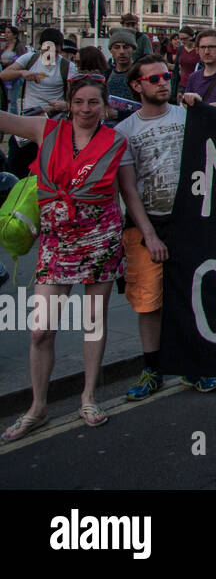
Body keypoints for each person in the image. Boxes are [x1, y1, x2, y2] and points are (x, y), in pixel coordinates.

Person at [0, 73, 129, 441]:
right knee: (40, 329)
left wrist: (148, 234)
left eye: (93, 103)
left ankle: (89, 397)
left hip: (101, 241)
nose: (86, 109)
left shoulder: (116, 141)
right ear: (68, 104)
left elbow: (129, 192)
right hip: (56, 243)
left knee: (94, 323)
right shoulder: (47, 130)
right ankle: (37, 407)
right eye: (79, 102)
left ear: (105, 106)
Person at [115, 55, 216, 400]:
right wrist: (148, 234)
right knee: (149, 303)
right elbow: (129, 189)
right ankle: (152, 369)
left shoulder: (187, 116)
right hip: (147, 226)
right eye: (154, 79)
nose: (163, 82)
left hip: (189, 222)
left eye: (166, 76)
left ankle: (194, 366)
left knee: (191, 296)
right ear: (137, 85)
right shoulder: (125, 131)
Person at [1, 27, 79, 177]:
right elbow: (4, 75)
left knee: (47, 173)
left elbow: (76, 100)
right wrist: (21, 72)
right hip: (26, 123)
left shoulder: (68, 67)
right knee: (17, 167)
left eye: (55, 52)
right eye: (47, 51)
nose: (51, 56)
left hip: (52, 125)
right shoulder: (30, 59)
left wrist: (64, 105)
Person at [105, 28, 140, 123]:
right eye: (117, 47)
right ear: (110, 50)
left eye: (126, 47)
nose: (121, 52)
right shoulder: (107, 75)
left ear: (133, 49)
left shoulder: (141, 74)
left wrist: (119, 115)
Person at [175, 26, 199, 92]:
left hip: (195, 85)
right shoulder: (180, 49)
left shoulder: (199, 50)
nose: (183, 41)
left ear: (192, 37)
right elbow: (178, 67)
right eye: (181, 39)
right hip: (182, 85)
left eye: (185, 39)